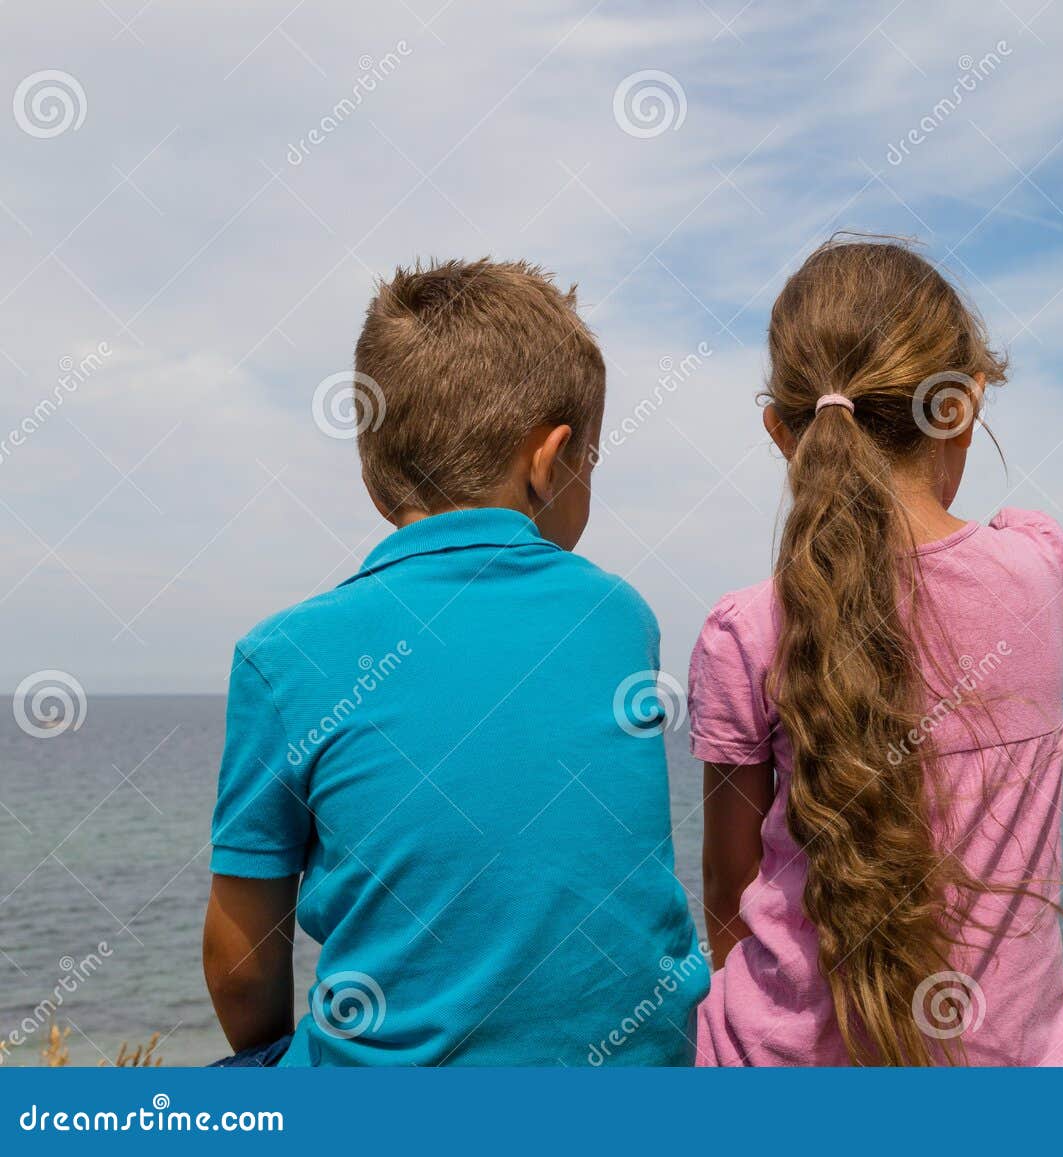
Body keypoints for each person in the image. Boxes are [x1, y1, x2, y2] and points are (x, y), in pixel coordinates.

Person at [691, 237, 1063, 1065]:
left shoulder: (745, 629)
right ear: (960, 408)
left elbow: (727, 889)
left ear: (783, 431)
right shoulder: (1033, 575)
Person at [204, 259, 705, 1065]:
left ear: (376, 479)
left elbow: (240, 963)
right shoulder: (619, 616)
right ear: (552, 460)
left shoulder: (282, 658)